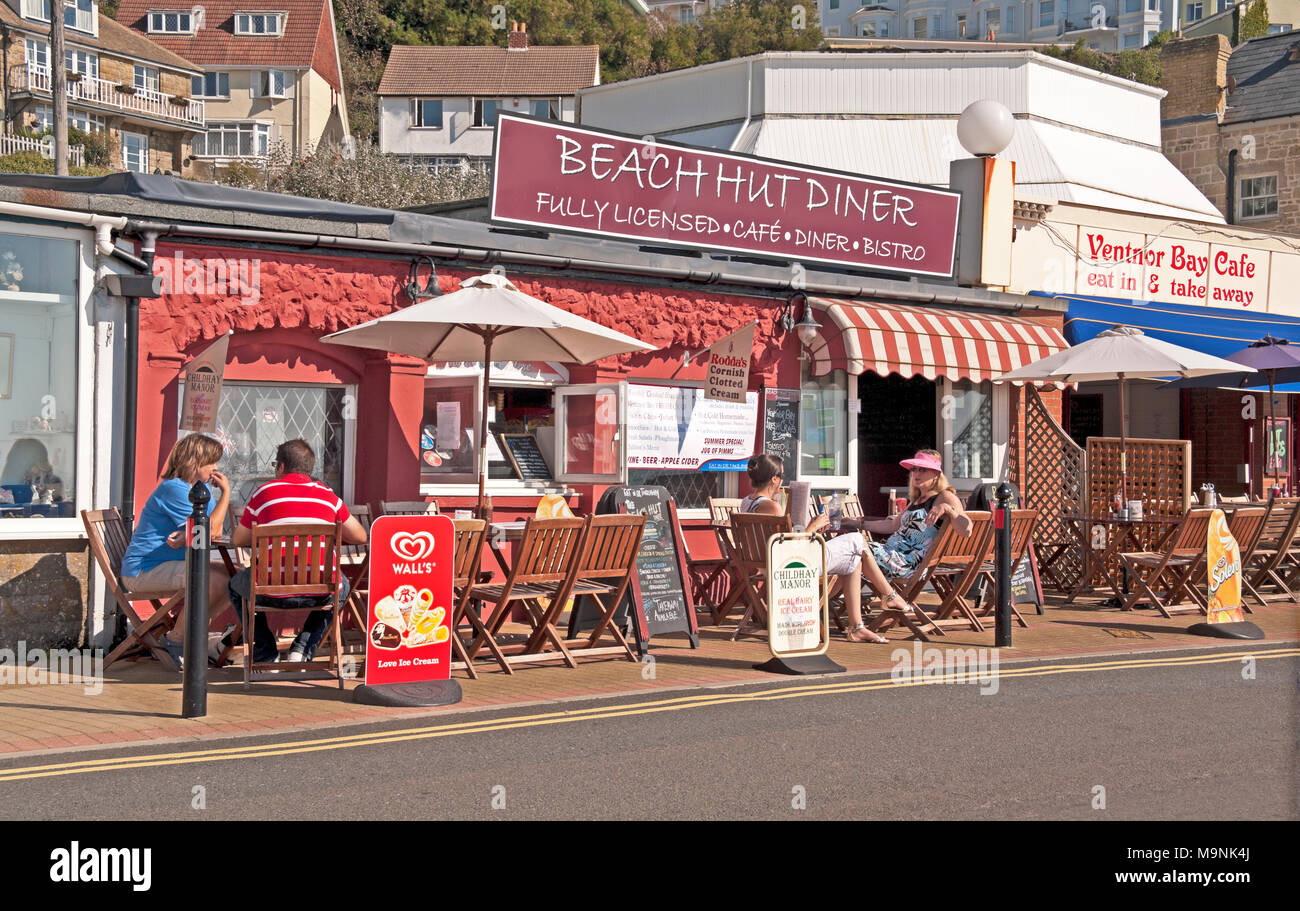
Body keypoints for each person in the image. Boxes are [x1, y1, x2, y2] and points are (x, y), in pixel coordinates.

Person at [227, 439, 367, 666]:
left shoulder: (264, 493)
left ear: (281, 466)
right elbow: (360, 536)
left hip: (268, 590)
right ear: (309, 468)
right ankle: (302, 650)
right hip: (319, 590)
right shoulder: (328, 496)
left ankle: (265, 652)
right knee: (342, 587)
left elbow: (239, 539)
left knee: (236, 587)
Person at [740, 454, 889, 644]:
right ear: (774, 479)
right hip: (790, 566)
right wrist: (813, 527)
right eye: (782, 476)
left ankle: (857, 626)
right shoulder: (772, 507)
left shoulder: (747, 502)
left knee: (855, 558)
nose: (782, 482)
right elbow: (788, 548)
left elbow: (782, 542)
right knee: (856, 540)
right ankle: (888, 596)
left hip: (766, 566)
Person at [119, 433, 232, 670]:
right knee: (209, 581)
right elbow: (209, 533)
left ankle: (195, 637)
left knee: (235, 576)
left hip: (170, 565)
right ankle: (176, 640)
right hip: (143, 570)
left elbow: (212, 528)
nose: (215, 468)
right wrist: (227, 494)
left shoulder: (199, 491)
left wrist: (218, 500)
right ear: (195, 462)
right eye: (211, 462)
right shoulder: (175, 489)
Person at [843, 449, 971, 641]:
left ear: (936, 475)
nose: (916, 474)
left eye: (922, 470)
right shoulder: (918, 500)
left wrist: (948, 509)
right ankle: (854, 625)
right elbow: (892, 525)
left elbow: (967, 529)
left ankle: (888, 598)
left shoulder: (944, 496)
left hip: (907, 563)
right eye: (914, 469)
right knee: (848, 555)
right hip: (890, 554)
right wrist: (857, 523)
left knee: (854, 547)